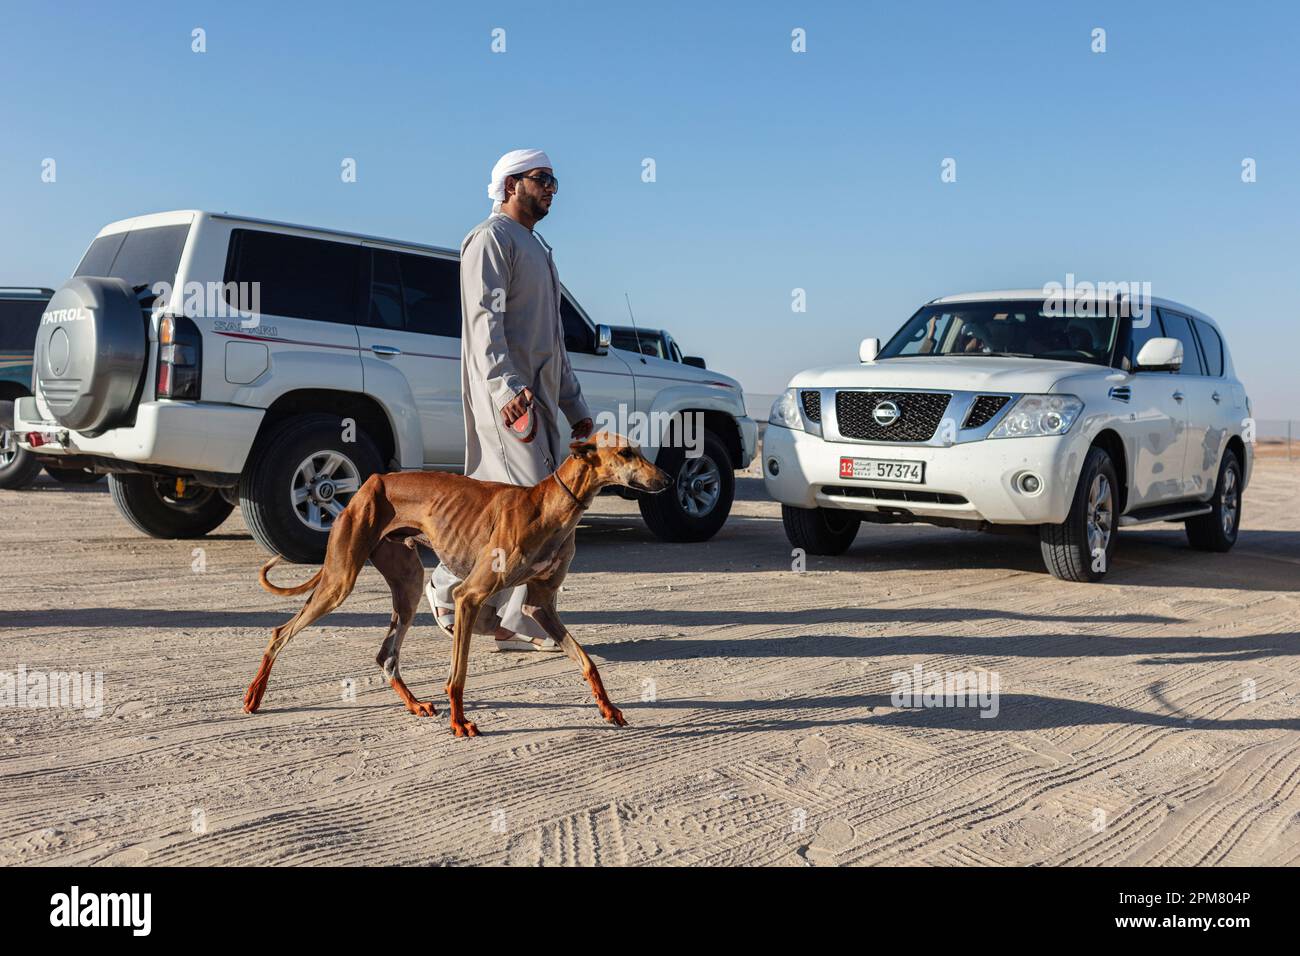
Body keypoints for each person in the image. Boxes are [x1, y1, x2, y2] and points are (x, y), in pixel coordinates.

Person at [425, 148, 595, 651]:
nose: (550, 189)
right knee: (532, 510)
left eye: (554, 181)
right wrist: (503, 388)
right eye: (541, 179)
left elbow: (555, 344)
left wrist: (577, 409)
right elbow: (483, 323)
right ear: (508, 185)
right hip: (509, 403)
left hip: (537, 397)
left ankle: (501, 614)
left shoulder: (539, 248)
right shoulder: (490, 239)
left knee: (512, 514)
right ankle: (450, 591)